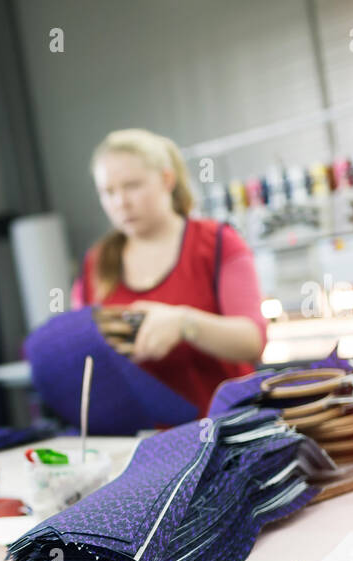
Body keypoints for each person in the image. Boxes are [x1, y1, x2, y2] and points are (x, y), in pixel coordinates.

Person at [71, 128, 267, 413]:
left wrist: (185, 324)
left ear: (167, 179)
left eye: (132, 186)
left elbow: (253, 342)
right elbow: (83, 351)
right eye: (108, 192)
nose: (120, 202)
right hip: (137, 439)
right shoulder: (96, 262)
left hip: (220, 431)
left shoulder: (217, 243)